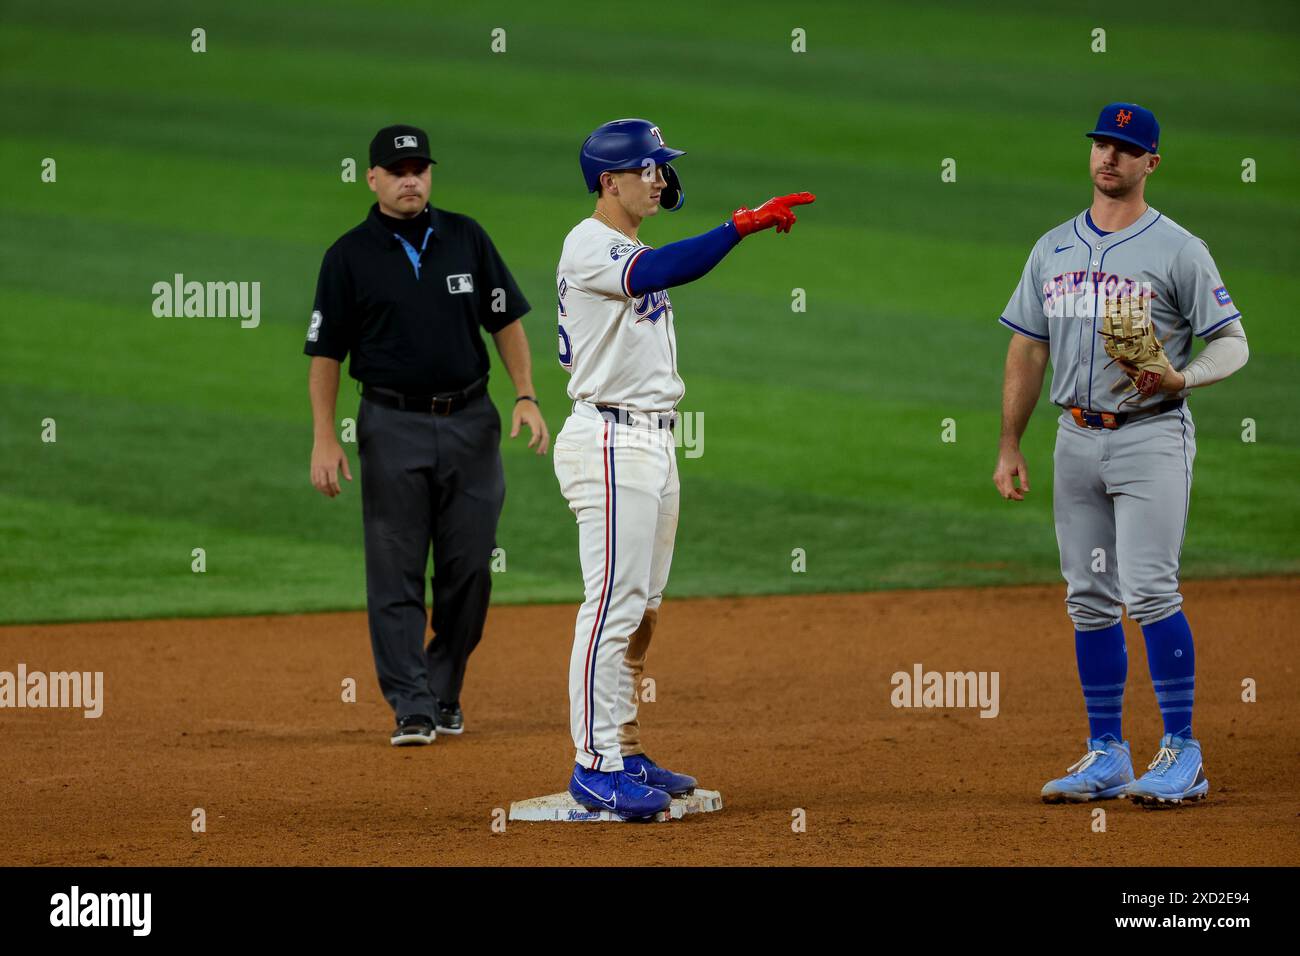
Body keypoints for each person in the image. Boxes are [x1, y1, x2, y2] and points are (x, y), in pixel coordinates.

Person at [554, 118, 815, 818]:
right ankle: (594, 763)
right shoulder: (590, 244)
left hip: (652, 445)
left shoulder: (625, 241)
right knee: (610, 608)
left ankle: (626, 745)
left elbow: (657, 260)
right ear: (609, 181)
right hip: (609, 442)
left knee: (643, 610)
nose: (661, 178)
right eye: (648, 168)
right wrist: (737, 227)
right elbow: (666, 269)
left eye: (663, 168)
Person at [992, 103, 1249, 806]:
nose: (1109, 157)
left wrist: (1183, 377)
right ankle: (1106, 750)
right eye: (1102, 144)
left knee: (1150, 592)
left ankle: (1183, 752)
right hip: (1074, 440)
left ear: (1150, 164)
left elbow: (1232, 340)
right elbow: (1028, 345)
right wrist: (1010, 442)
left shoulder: (1178, 250)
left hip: (1151, 436)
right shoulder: (1053, 247)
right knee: (1089, 600)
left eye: (1126, 149)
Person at [305, 124, 549, 746]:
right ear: (373, 179)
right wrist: (324, 437)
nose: (410, 178)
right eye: (397, 169)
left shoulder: (466, 237)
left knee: (470, 570)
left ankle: (444, 689)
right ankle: (411, 704)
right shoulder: (348, 257)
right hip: (390, 425)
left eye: (419, 168)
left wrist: (525, 395)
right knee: (396, 568)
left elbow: (506, 322)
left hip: (471, 422)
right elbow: (326, 354)